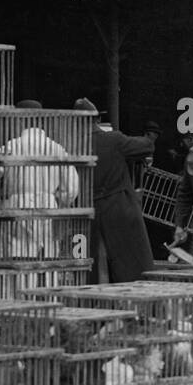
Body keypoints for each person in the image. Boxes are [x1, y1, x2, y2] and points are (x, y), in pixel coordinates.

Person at [76, 98, 153, 283]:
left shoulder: (72, 146)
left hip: (88, 213)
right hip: (118, 208)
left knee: (89, 264)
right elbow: (147, 146)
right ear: (96, 120)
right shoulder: (114, 139)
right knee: (131, 263)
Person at [0, 100, 80, 261]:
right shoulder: (56, 149)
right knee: (47, 262)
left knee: (16, 260)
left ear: (20, 119)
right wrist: (58, 200)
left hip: (16, 206)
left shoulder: (12, 146)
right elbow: (72, 188)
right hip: (48, 207)